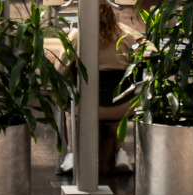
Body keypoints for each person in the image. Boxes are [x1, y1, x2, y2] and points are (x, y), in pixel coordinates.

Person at [57, 1, 140, 175]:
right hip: (122, 108)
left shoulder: (78, 36)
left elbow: (60, 72)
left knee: (67, 103)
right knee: (119, 93)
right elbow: (136, 73)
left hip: (85, 106)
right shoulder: (127, 38)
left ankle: (71, 155)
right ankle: (122, 153)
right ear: (113, 16)